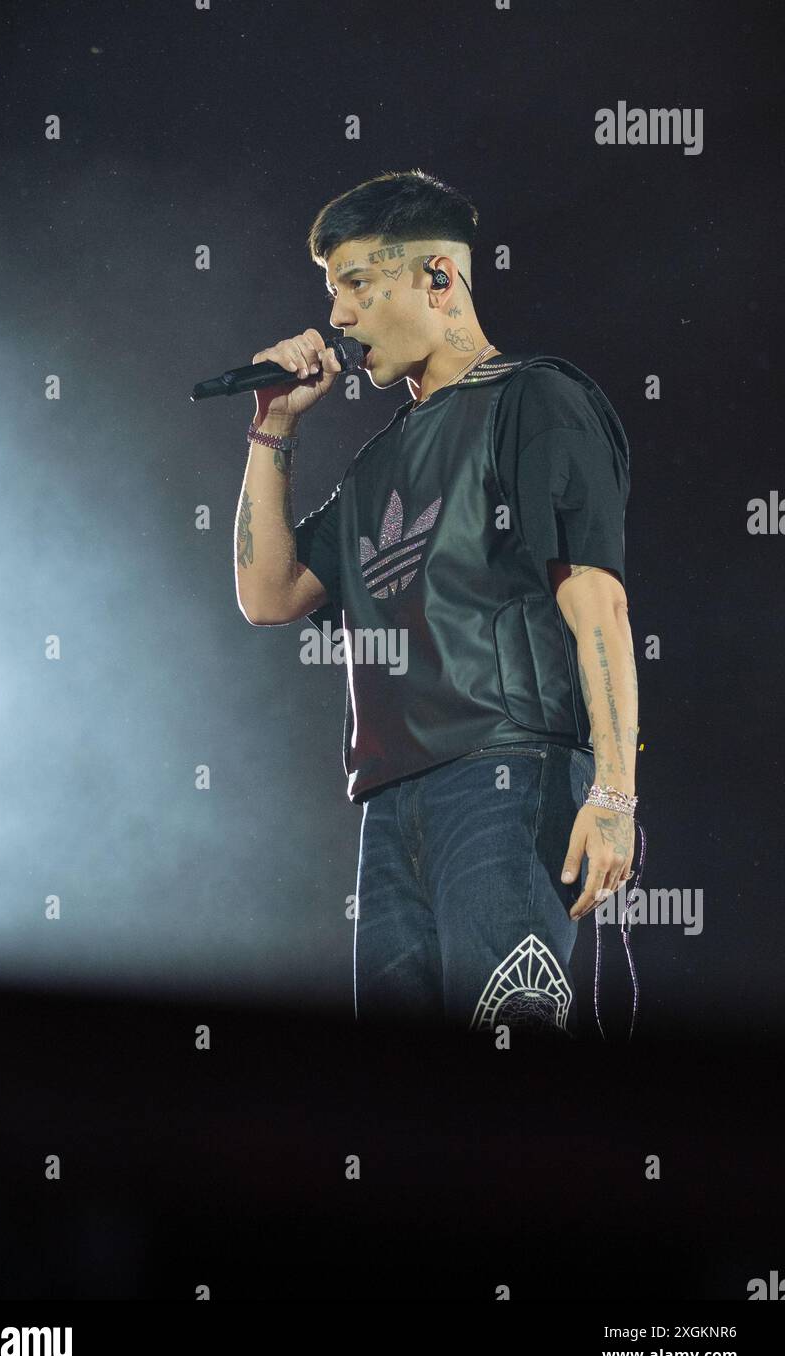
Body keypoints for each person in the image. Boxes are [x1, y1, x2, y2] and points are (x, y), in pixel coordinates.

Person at [234, 169, 638, 1040]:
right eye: (331, 291)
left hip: (507, 776)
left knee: (508, 1044)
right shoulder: (375, 466)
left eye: (355, 286)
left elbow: (596, 604)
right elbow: (269, 594)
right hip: (390, 804)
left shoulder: (536, 398)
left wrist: (615, 794)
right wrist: (274, 426)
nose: (337, 317)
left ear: (437, 279)